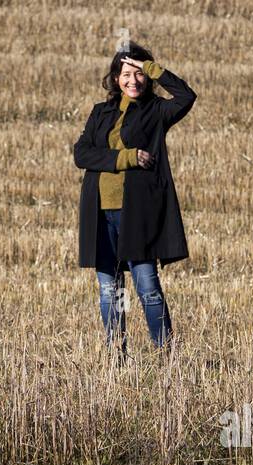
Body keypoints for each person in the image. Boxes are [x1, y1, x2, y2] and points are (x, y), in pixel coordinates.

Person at [72, 43, 196, 355]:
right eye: (127, 74)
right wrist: (127, 157)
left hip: (136, 213)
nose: (133, 80)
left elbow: (186, 97)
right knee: (110, 289)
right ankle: (117, 354)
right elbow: (81, 153)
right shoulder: (101, 113)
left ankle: (165, 355)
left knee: (148, 288)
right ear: (116, 78)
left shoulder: (157, 112)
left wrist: (155, 69)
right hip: (100, 213)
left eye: (140, 74)